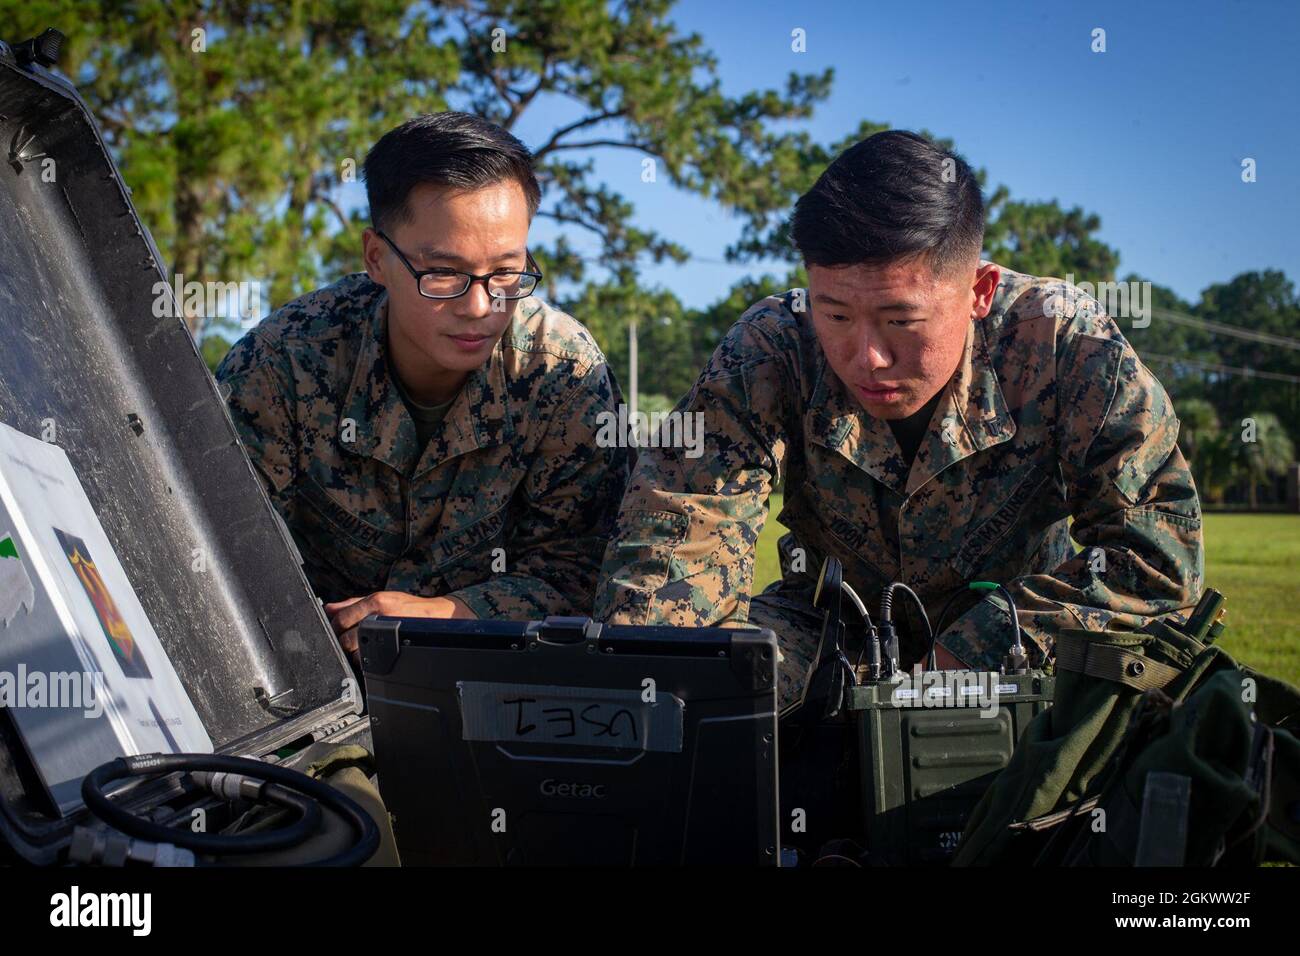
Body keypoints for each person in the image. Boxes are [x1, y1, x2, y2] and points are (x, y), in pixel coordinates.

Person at [595, 129, 1203, 713]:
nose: (867, 358)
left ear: (979, 291)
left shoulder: (1058, 340)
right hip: (833, 628)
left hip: (1023, 640)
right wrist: (659, 684)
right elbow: (678, 531)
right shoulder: (773, 346)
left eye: (901, 321)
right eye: (835, 316)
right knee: (715, 686)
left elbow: (1157, 557)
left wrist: (972, 651)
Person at [217, 112, 631, 652]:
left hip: (494, 676)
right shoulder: (283, 365)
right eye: (444, 274)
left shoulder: (562, 377)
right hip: (298, 671)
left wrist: (447, 615)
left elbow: (587, 571)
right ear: (376, 258)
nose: (480, 306)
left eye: (506, 271)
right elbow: (214, 546)